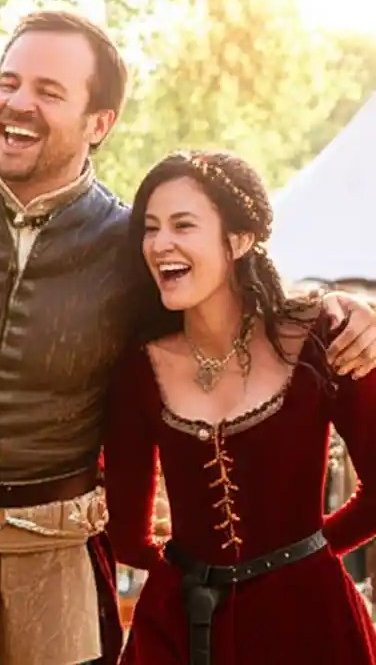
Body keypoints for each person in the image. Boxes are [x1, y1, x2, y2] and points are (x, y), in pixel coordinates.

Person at [0, 10, 376, 665]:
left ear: (100, 124)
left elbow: (235, 305)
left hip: (48, 581)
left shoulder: (134, 253)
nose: (18, 103)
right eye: (9, 82)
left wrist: (342, 310)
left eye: (49, 91)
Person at [103, 150, 376, 664]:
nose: (161, 243)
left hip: (310, 624)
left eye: (183, 225)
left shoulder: (322, 336)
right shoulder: (138, 370)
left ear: (241, 238)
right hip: (181, 628)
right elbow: (127, 535)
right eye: (151, 227)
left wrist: (307, 557)